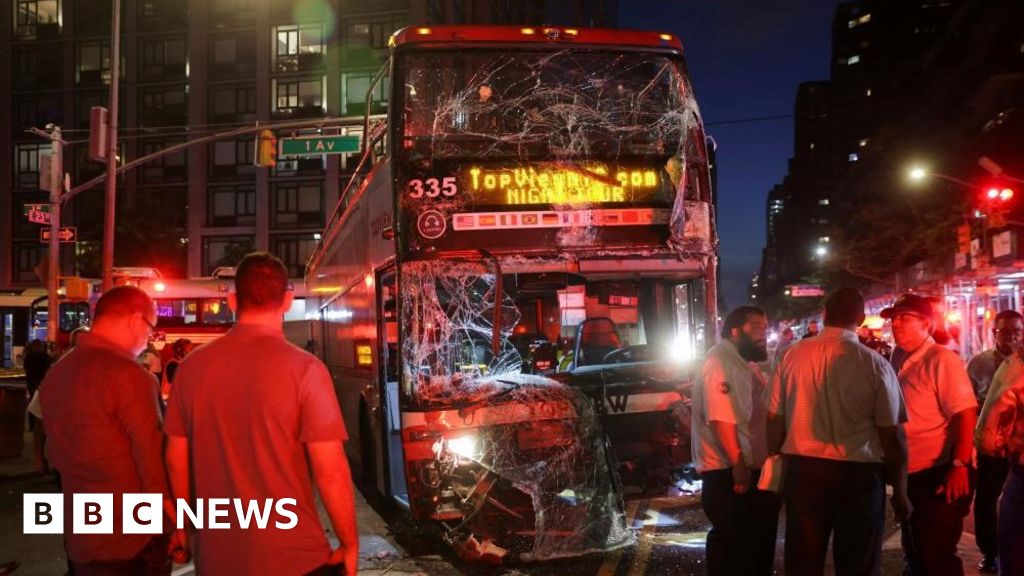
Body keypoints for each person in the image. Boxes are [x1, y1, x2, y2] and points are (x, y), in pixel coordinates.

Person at [165, 252, 358, 576]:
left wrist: (184, 526)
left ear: (232, 301)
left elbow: (176, 459)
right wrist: (349, 543)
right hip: (295, 556)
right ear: (287, 301)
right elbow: (332, 470)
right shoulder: (307, 370)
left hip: (217, 557)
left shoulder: (190, 368)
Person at [766, 287, 910, 576]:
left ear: (825, 314)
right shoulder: (875, 364)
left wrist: (775, 461)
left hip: (805, 474)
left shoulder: (790, 356)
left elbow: (773, 419)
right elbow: (891, 434)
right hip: (858, 477)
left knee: (803, 562)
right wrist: (900, 490)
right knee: (859, 563)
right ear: (861, 318)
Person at [39, 286, 177, 576]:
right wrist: (172, 523)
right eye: (150, 328)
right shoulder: (130, 376)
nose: (148, 338)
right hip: (131, 539)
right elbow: (152, 464)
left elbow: (52, 448)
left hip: (81, 533)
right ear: (135, 320)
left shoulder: (58, 372)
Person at [883, 293, 977, 576]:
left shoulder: (941, 359)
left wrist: (959, 466)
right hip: (910, 472)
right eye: (894, 318)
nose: (896, 324)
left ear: (926, 323)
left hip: (939, 473)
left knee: (936, 556)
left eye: (904, 318)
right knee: (915, 552)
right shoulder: (899, 356)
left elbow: (965, 413)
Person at [691, 305, 779, 575]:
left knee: (751, 541)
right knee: (736, 544)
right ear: (735, 331)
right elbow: (722, 420)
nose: (763, 334)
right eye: (756, 327)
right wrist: (739, 465)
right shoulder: (723, 363)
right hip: (729, 472)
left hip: (741, 468)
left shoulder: (739, 360)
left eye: (765, 327)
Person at [971, 309, 1024, 572]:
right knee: (987, 498)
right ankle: (989, 551)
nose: (1011, 336)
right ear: (994, 333)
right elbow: (968, 404)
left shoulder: (1017, 365)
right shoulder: (978, 364)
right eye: (1005, 331)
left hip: (1016, 448)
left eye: (1017, 331)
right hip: (992, 444)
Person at [159, 338, 191, 403]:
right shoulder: (173, 364)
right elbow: (174, 381)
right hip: (170, 398)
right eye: (189, 349)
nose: (191, 351)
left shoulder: (181, 363)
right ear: (180, 350)